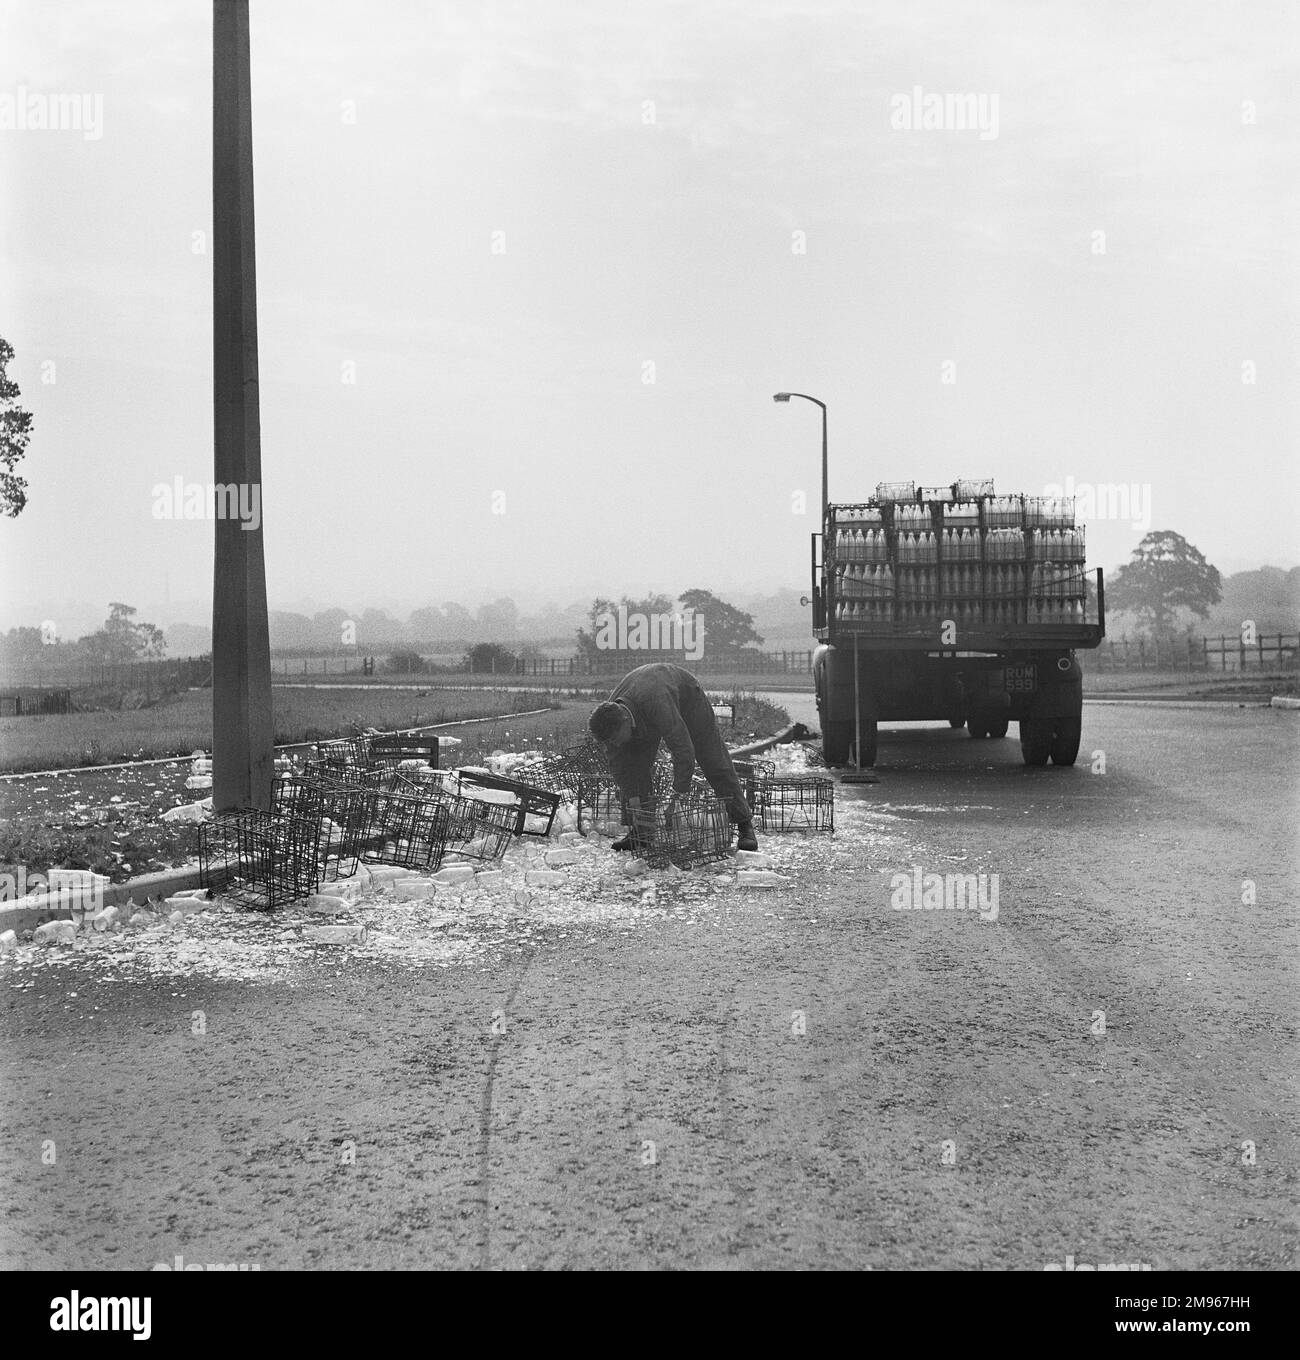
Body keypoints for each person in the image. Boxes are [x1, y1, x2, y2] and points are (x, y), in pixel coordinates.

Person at [588, 662, 758, 852]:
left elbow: (683, 750)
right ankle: (642, 833)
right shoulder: (610, 722)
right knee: (634, 765)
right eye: (609, 742)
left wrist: (676, 797)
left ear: (625, 722)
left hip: (687, 699)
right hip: (644, 705)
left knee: (712, 758)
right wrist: (634, 803)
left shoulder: (656, 703)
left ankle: (745, 825)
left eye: (614, 739)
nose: (614, 744)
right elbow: (621, 769)